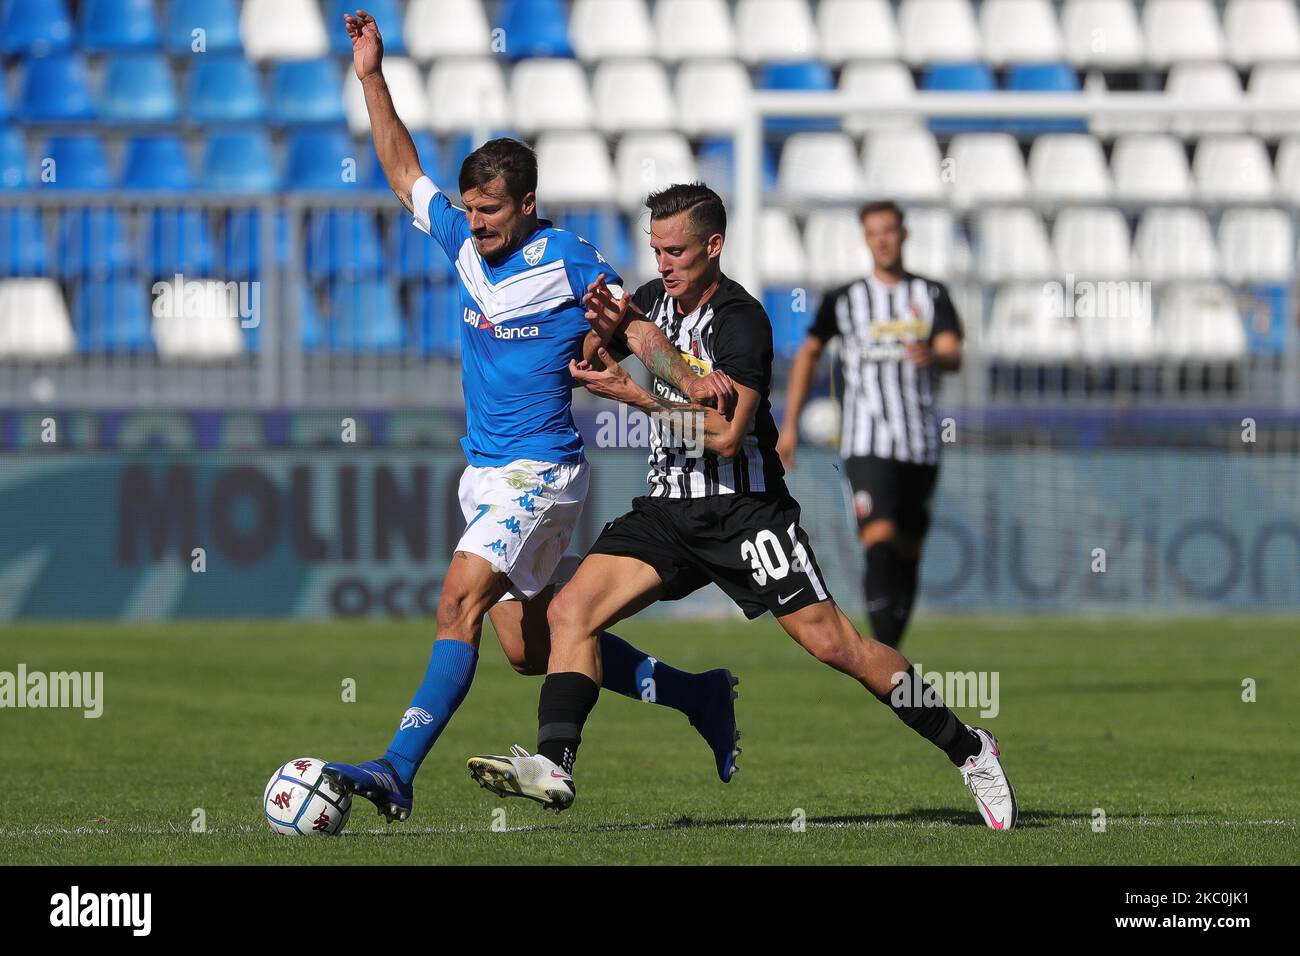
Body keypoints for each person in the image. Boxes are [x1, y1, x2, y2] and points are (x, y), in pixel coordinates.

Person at [466, 184, 1016, 831]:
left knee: (839, 646)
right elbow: (592, 364)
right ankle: (555, 765)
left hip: (745, 514)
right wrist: (593, 335)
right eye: (656, 250)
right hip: (669, 509)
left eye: (676, 251)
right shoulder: (647, 303)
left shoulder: (741, 321)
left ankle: (969, 747)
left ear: (714, 246)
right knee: (569, 611)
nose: (664, 263)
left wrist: (638, 400)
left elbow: (727, 435)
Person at [321, 12, 743, 823]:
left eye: (490, 211)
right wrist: (372, 74)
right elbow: (402, 166)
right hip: (485, 473)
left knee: (457, 605)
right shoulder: (460, 241)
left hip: (541, 470)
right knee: (531, 646)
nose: (475, 223)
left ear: (526, 205)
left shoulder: (569, 259)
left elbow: (634, 328)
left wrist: (690, 379)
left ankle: (395, 768)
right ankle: (698, 695)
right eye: (470, 209)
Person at [778, 200, 963, 648]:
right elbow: (809, 353)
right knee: (878, 538)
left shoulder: (930, 294)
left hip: (920, 444)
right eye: (873, 232)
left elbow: (953, 351)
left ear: (904, 235)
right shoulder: (845, 299)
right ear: (866, 239)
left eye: (889, 230)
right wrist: (789, 425)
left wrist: (935, 354)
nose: (882, 239)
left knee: (907, 549)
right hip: (866, 442)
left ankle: (890, 655)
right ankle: (887, 661)